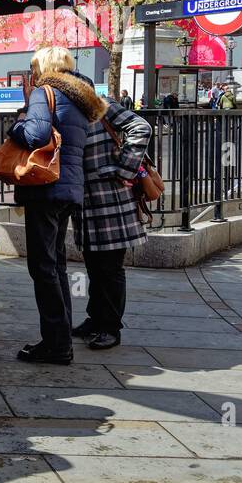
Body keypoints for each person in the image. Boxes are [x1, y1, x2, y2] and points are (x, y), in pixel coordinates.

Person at [10, 47, 106, 366]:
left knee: (43, 266)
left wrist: (17, 124)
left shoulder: (45, 91)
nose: (33, 71)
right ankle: (60, 338)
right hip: (68, 188)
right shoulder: (79, 96)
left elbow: (36, 134)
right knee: (56, 265)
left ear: (45, 67)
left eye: (34, 65)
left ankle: (55, 343)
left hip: (45, 187)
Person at [73, 99, 152, 351]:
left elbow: (141, 127)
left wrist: (124, 169)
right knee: (95, 264)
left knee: (109, 266)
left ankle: (110, 326)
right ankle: (96, 318)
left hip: (110, 195)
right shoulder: (67, 105)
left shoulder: (98, 103)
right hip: (88, 199)